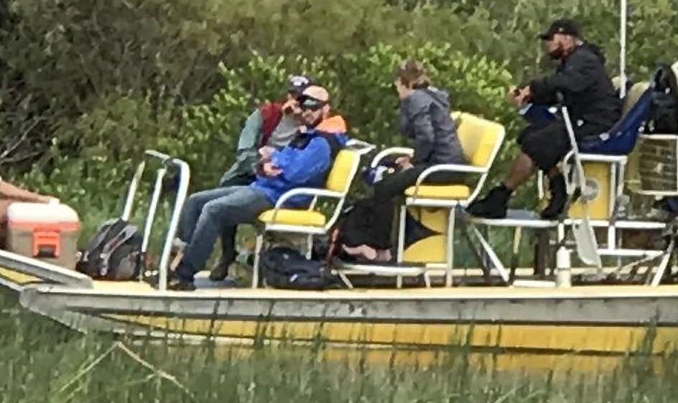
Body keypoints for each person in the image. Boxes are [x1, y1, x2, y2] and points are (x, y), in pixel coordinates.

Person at [165, 84, 348, 289]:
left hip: (280, 198)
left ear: (325, 109)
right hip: (267, 187)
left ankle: (184, 275)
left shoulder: (322, 143)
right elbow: (285, 160)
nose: (307, 111)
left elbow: (296, 173)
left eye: (313, 107)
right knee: (196, 201)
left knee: (214, 210)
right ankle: (176, 258)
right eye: (304, 106)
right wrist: (269, 163)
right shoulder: (309, 134)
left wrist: (274, 158)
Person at [468, 19, 621, 222]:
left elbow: (567, 84)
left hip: (595, 123)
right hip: (581, 120)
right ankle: (557, 189)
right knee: (530, 135)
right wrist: (529, 95)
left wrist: (533, 87)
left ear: (567, 38)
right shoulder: (574, 61)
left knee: (537, 143)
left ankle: (502, 195)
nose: (548, 44)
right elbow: (557, 89)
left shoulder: (584, 60)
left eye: (551, 38)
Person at [336, 61, 467, 261]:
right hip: (445, 163)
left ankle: (381, 249)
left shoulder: (415, 99)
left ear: (401, 82)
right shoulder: (432, 96)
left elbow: (427, 138)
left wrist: (414, 164)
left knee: (384, 188)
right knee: (390, 172)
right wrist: (413, 159)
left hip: (441, 168)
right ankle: (378, 244)